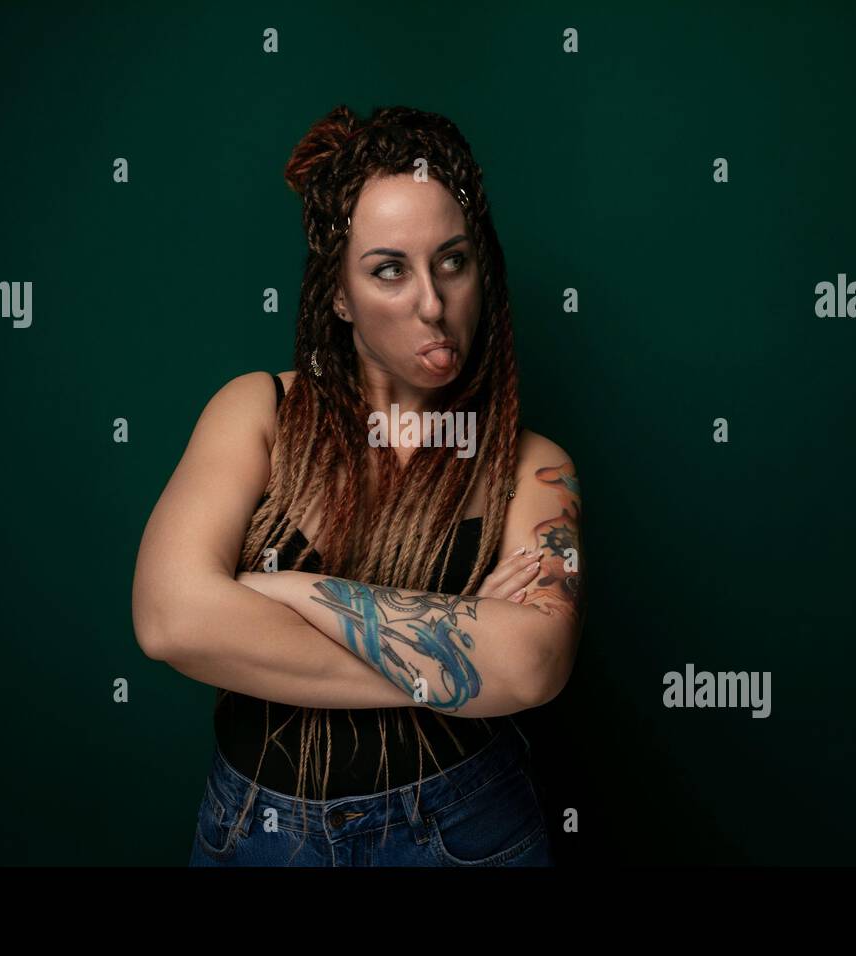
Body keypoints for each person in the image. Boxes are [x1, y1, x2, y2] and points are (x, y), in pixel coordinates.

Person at [132, 104, 586, 866]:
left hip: (461, 827)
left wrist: (283, 591)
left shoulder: (535, 468)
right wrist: (450, 662)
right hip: (260, 832)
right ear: (339, 296)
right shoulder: (259, 413)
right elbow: (170, 619)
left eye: (453, 261)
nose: (432, 305)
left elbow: (531, 666)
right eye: (388, 270)